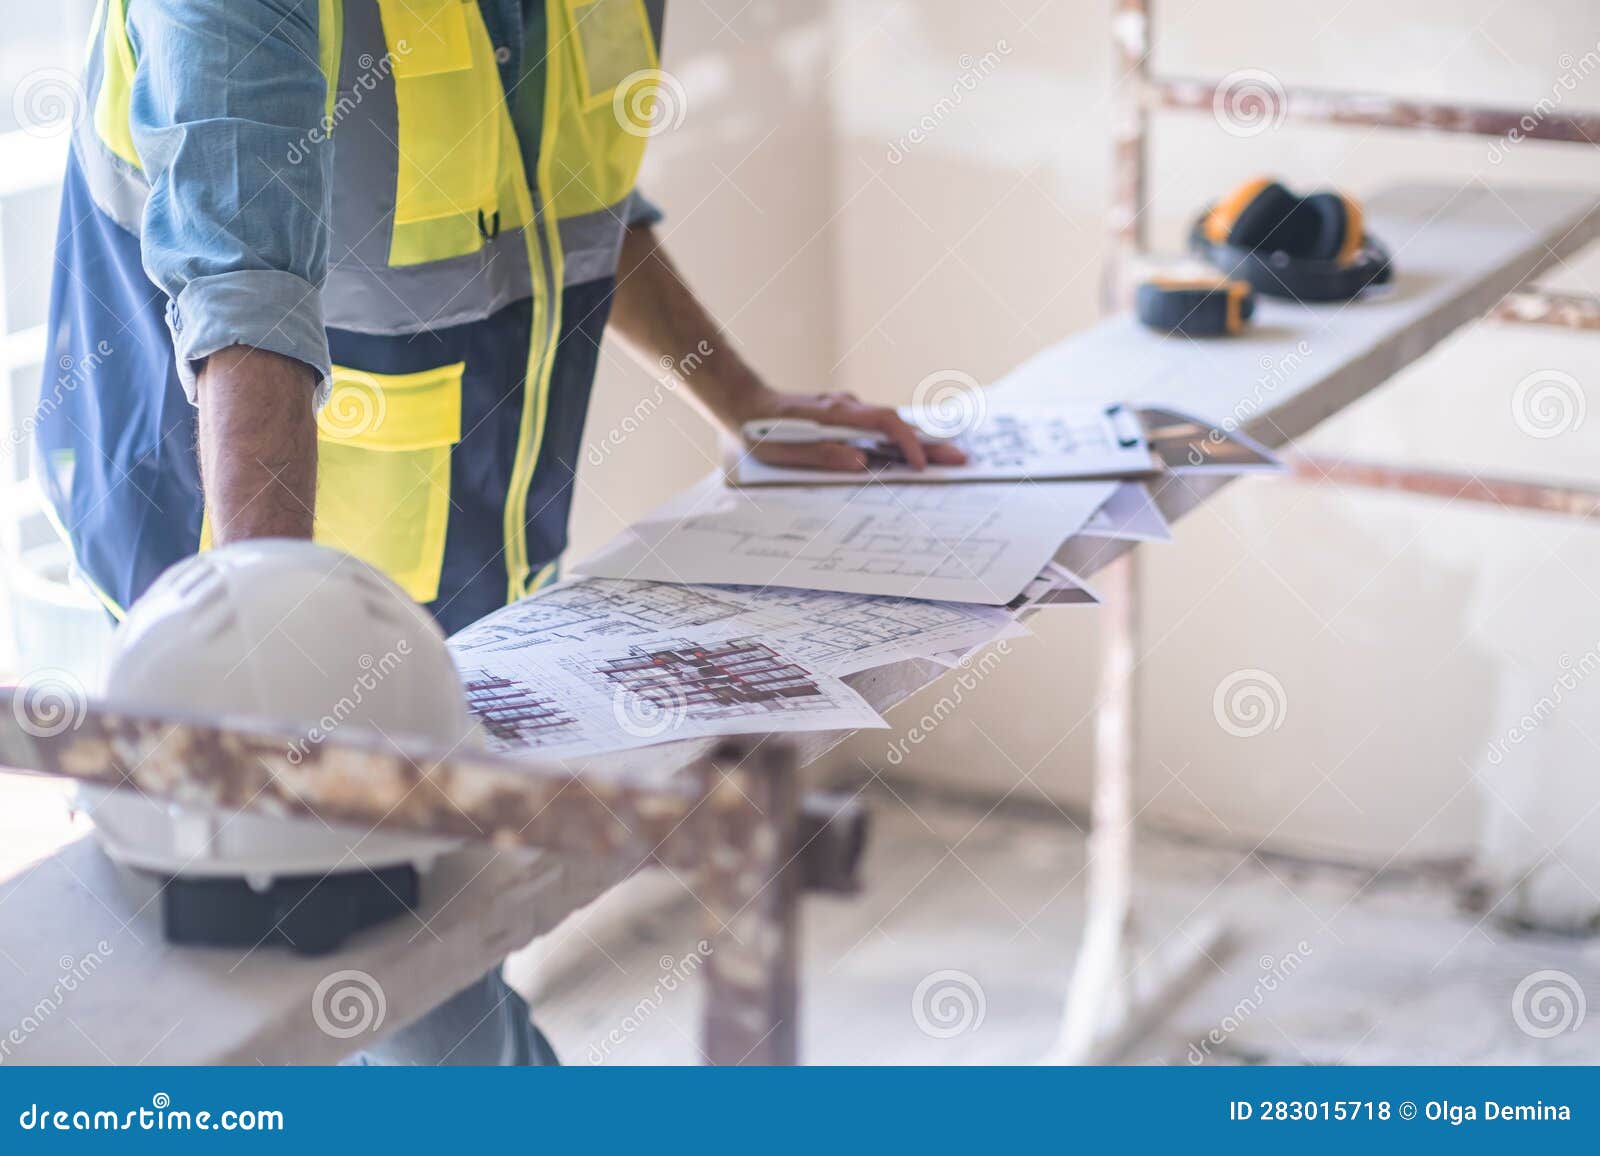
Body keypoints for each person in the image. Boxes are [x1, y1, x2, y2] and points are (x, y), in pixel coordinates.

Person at [35, 0, 959, 1065]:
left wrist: (743, 398)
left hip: (460, 574)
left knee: (434, 993)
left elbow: (574, 207)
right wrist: (270, 667)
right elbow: (245, 293)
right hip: (217, 584)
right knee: (366, 1025)